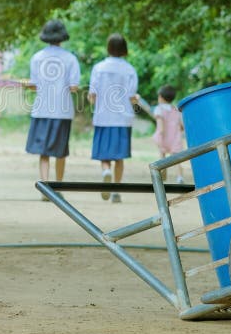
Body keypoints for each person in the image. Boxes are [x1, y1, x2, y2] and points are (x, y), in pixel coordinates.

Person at [25, 19, 81, 196]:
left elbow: (34, 85)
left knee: (44, 152)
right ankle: (58, 187)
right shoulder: (70, 58)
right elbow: (74, 87)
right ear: (62, 37)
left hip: (41, 109)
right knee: (60, 151)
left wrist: (28, 85)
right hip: (62, 110)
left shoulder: (37, 58)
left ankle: (44, 189)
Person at [88, 33, 138, 203]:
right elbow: (131, 96)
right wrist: (135, 100)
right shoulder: (130, 70)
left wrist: (94, 103)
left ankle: (105, 171)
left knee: (104, 154)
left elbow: (92, 95)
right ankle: (116, 190)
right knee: (120, 156)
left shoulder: (99, 68)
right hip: (123, 118)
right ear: (125, 49)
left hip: (103, 116)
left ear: (108, 48)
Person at [139, 85, 186, 183]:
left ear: (160, 97)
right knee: (177, 159)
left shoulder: (159, 109)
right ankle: (180, 177)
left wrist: (159, 134)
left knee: (162, 156)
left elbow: (160, 125)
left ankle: (163, 174)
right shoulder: (176, 110)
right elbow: (181, 125)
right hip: (175, 138)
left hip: (164, 137)